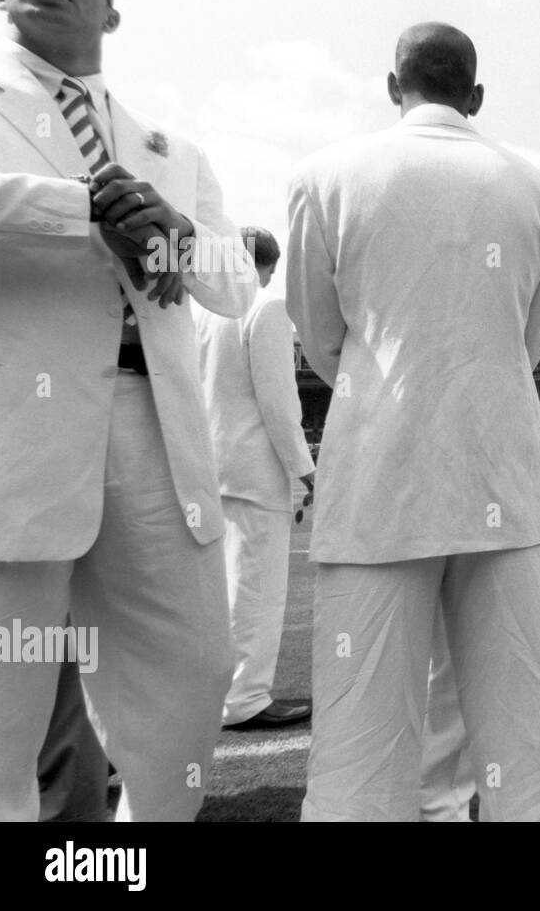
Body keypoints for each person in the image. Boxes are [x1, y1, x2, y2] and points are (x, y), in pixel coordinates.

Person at [287, 22, 540, 820]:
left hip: (380, 473)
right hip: (501, 474)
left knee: (361, 739)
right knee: (526, 740)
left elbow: (319, 338)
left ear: (393, 86)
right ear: (476, 96)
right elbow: (525, 342)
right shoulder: (538, 188)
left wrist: (385, 385)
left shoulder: (325, 174)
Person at [0, 0, 256, 820]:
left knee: (194, 666)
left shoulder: (173, 151)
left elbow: (234, 285)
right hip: (17, 431)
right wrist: (86, 211)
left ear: (112, 13)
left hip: (156, 431)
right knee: (4, 708)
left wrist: (178, 237)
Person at [193, 226, 316, 726]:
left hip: (208, 469)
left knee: (222, 590)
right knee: (257, 591)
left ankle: (221, 692)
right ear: (264, 267)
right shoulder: (263, 309)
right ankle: (245, 699)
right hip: (253, 472)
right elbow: (279, 403)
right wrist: (303, 470)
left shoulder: (197, 311)